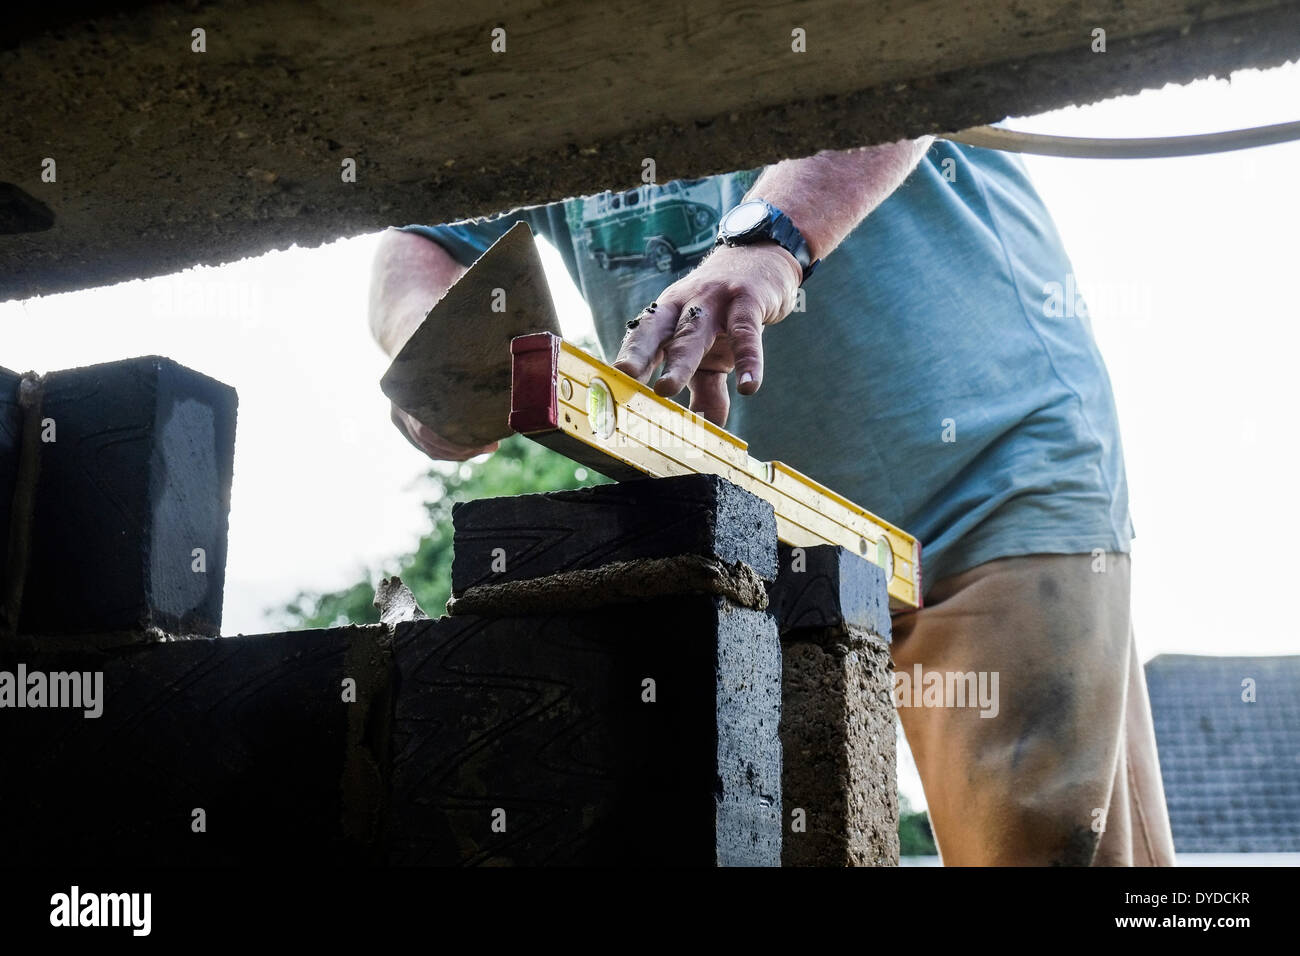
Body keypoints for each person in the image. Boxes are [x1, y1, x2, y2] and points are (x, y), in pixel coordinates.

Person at [368, 137, 1177, 866]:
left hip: (984, 480)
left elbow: (890, 60)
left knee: (1039, 841)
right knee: (753, 837)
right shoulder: (543, 59)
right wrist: (438, 355)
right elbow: (429, 233)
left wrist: (772, 241)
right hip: (749, 544)